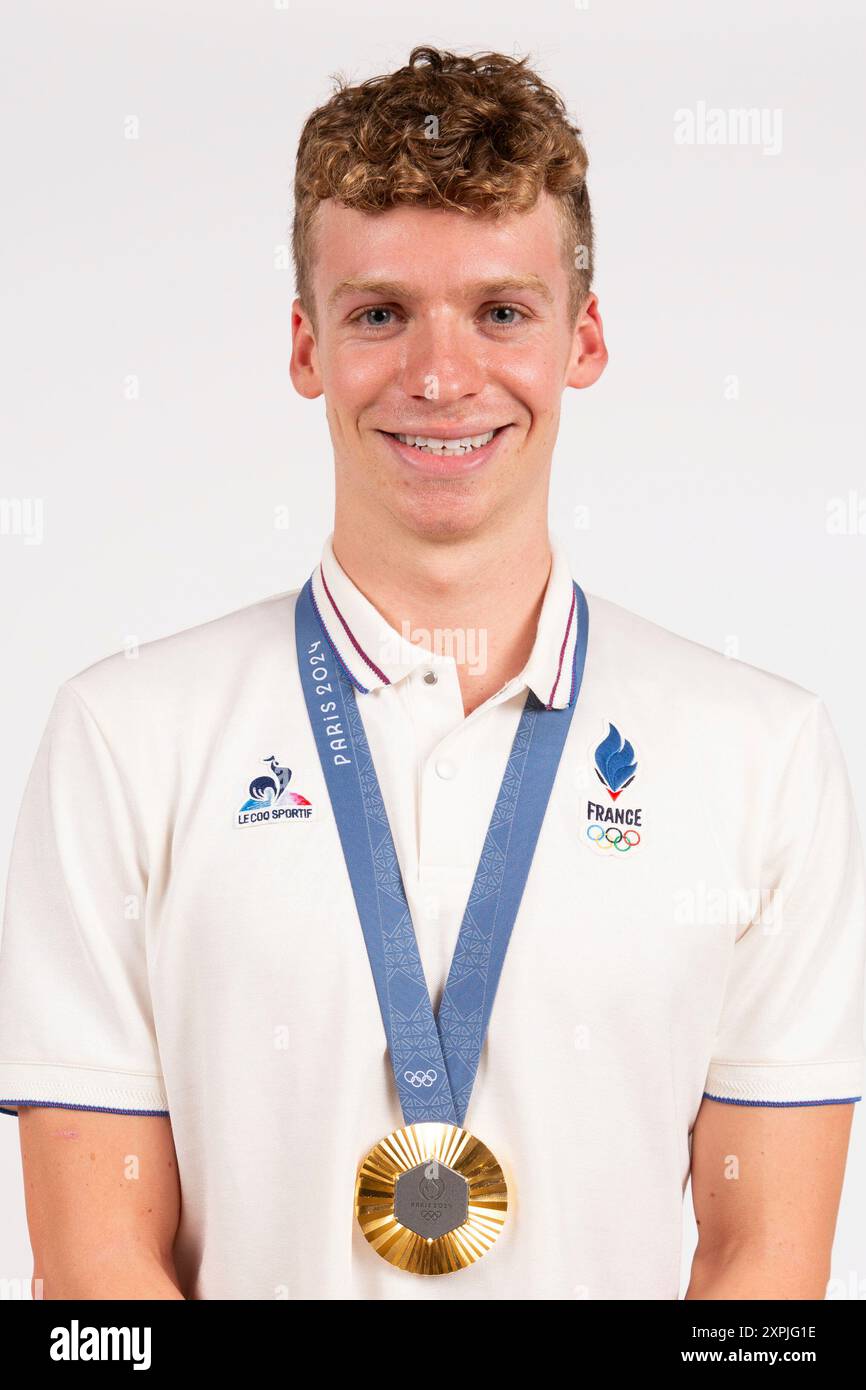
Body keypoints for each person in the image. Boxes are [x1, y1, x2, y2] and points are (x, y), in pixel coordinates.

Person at [1, 44, 864, 1301]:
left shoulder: (761, 755)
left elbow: (766, 1269)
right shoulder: (125, 737)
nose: (441, 375)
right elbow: (92, 1282)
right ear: (306, 346)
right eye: (379, 312)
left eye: (501, 311)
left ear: (583, 340)